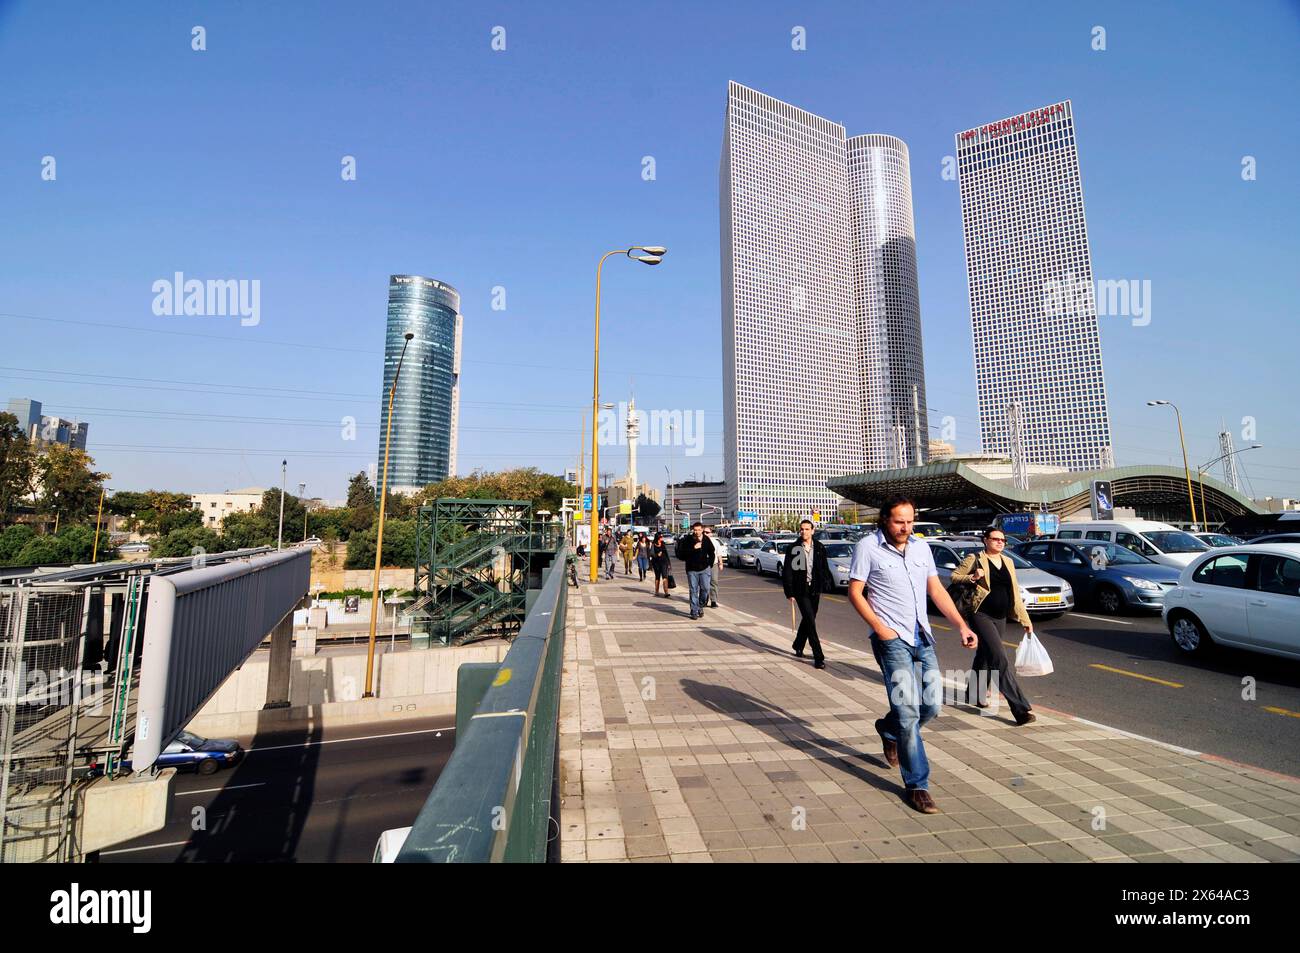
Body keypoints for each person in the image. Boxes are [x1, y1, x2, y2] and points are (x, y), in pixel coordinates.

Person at [847, 496, 978, 815]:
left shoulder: (921, 547)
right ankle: (918, 785)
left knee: (931, 705)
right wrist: (879, 628)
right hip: (892, 639)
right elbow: (855, 591)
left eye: (909, 521)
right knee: (907, 713)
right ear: (884, 521)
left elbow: (936, 590)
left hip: (922, 636)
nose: (905, 527)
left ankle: (888, 731)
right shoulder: (868, 547)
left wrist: (961, 625)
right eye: (898, 521)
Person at [951, 530, 1036, 725]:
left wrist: (1025, 619)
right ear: (985, 541)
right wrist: (972, 576)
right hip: (981, 614)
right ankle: (1020, 709)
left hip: (1001, 616)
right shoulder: (975, 558)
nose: (1000, 542)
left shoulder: (1008, 562)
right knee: (999, 658)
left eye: (1002, 540)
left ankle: (974, 694)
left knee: (985, 655)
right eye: (995, 539)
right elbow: (955, 576)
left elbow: (1013, 591)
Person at [782, 519, 831, 669]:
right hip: (801, 590)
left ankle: (798, 644)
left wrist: (826, 582)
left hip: (815, 589)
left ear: (813, 531)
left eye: (807, 529)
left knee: (809, 619)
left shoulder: (819, 547)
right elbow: (788, 571)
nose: (804, 531)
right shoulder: (794, 548)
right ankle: (818, 657)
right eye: (802, 529)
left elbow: (823, 568)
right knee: (810, 621)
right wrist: (789, 591)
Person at [675, 522, 715, 620]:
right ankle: (694, 610)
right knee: (693, 590)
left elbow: (712, 552)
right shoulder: (688, 540)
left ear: (702, 530)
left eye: (699, 530)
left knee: (705, 589)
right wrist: (693, 548)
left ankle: (700, 605)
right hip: (692, 569)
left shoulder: (706, 539)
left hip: (704, 569)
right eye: (695, 530)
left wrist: (710, 564)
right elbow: (682, 554)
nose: (697, 532)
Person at [703, 525, 722, 608]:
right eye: (704, 532)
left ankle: (713, 601)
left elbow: (719, 554)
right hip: (703, 565)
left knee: (714, 582)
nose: (705, 534)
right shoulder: (700, 541)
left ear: (711, 533)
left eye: (707, 532)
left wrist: (720, 563)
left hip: (713, 564)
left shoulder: (715, 542)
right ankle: (704, 600)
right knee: (704, 583)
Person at [651, 532, 673, 597]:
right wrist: (657, 555)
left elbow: (666, 553)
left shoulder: (663, 543)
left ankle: (666, 592)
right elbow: (651, 554)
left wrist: (669, 563)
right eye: (661, 537)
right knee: (657, 577)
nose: (662, 538)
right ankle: (656, 591)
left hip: (664, 562)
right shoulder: (653, 544)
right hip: (656, 563)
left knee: (665, 576)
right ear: (657, 538)